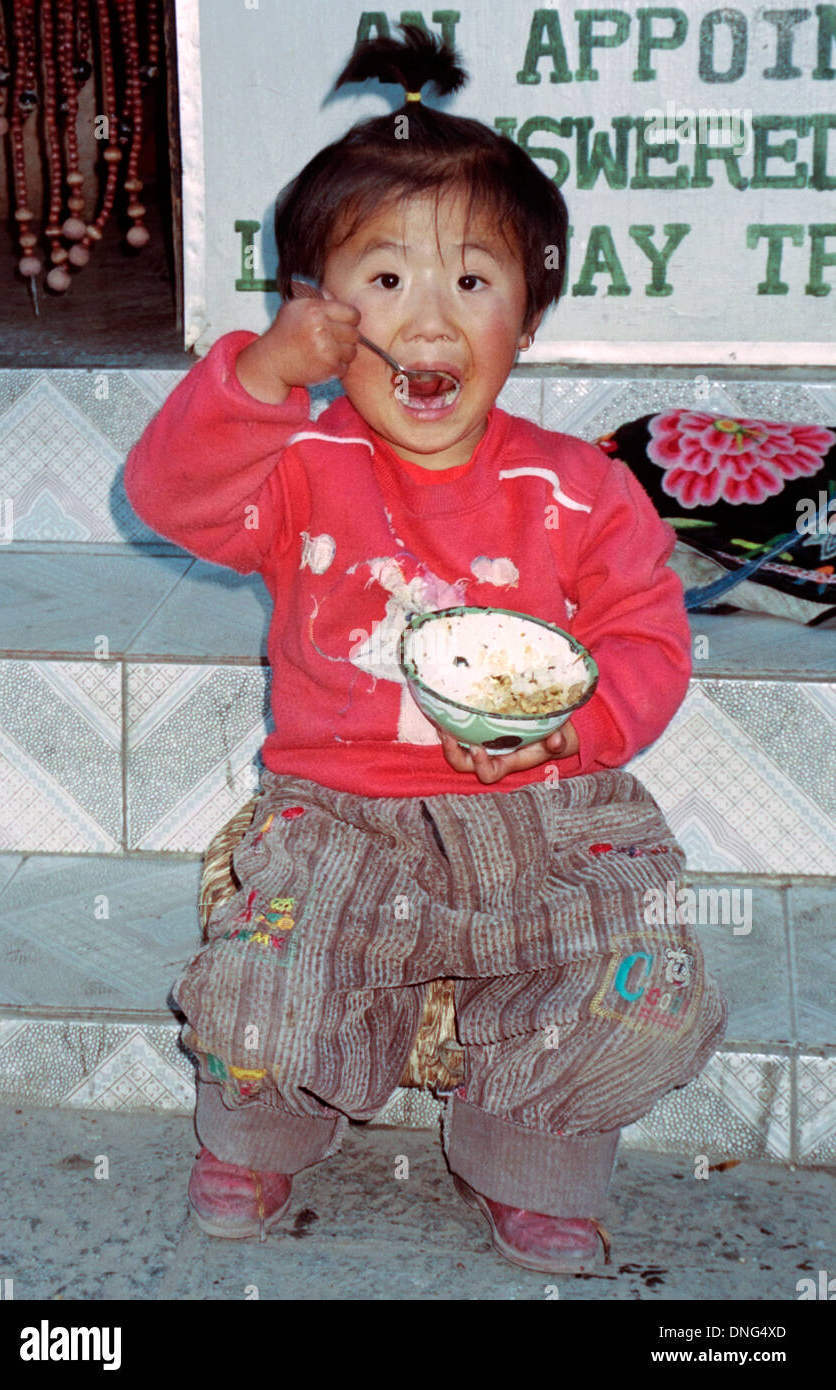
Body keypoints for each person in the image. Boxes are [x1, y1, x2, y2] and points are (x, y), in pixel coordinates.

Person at [124, 24, 728, 1276]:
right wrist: (257, 380)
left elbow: (644, 632)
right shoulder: (297, 466)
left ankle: (530, 1145)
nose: (428, 315)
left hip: (556, 814)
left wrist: (587, 727)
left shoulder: (577, 488)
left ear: (528, 312)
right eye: (382, 282)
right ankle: (264, 1130)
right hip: (342, 815)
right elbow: (173, 497)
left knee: (644, 972)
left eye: (472, 279)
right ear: (322, 314)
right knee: (265, 972)